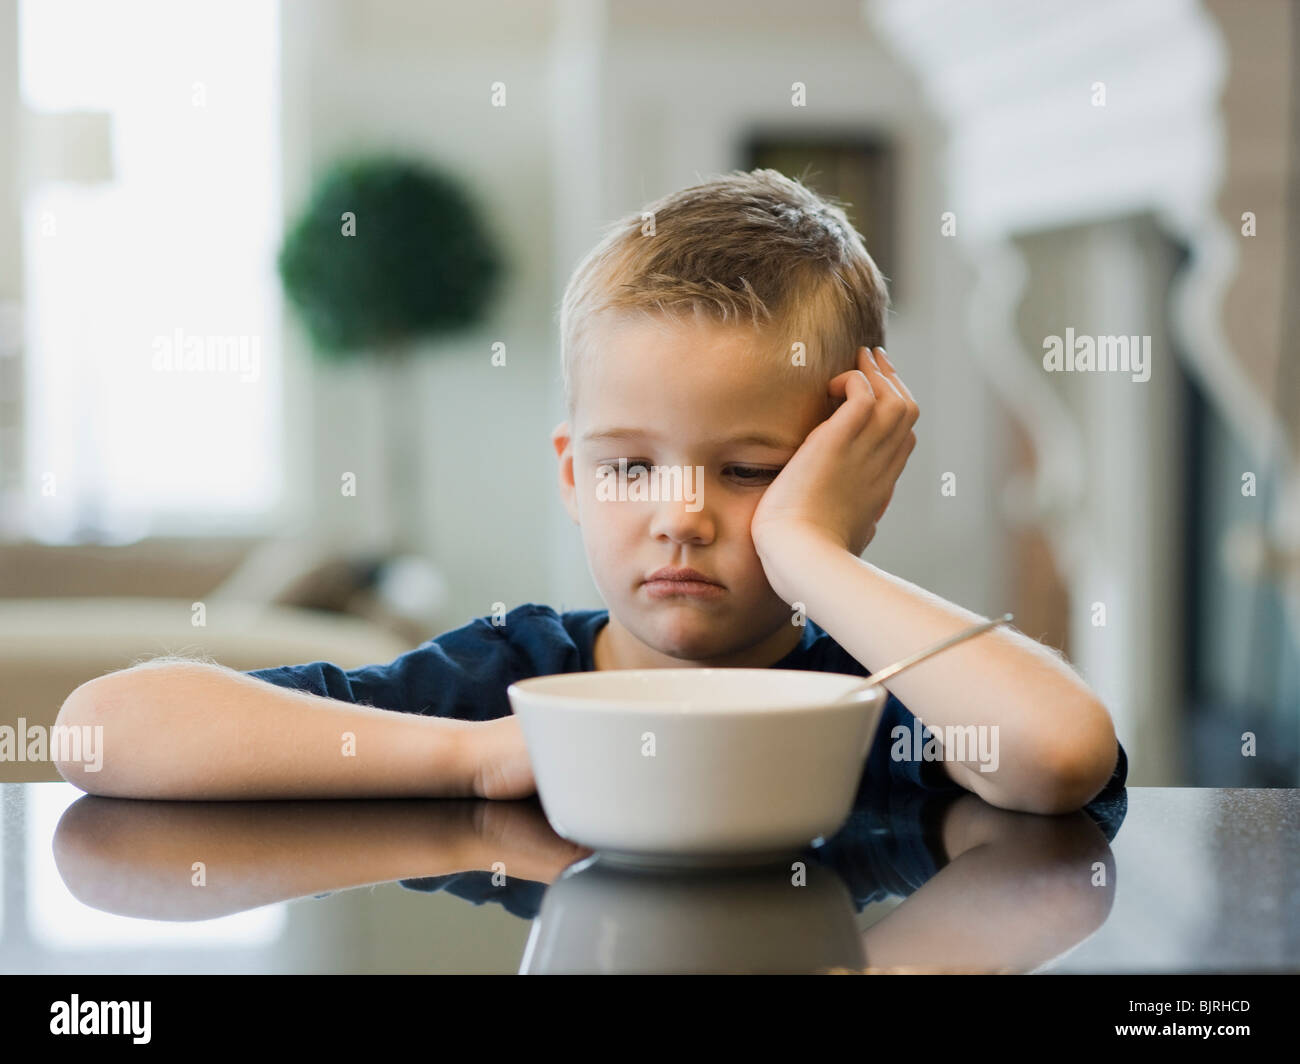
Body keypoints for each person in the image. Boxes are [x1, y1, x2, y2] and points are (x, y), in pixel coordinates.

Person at [54, 169, 1127, 812]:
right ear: (573, 474)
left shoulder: (886, 696)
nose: (682, 512)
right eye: (629, 465)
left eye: (751, 471)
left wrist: (813, 555)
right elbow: (104, 729)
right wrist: (476, 756)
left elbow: (1063, 752)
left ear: (847, 470)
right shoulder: (505, 679)